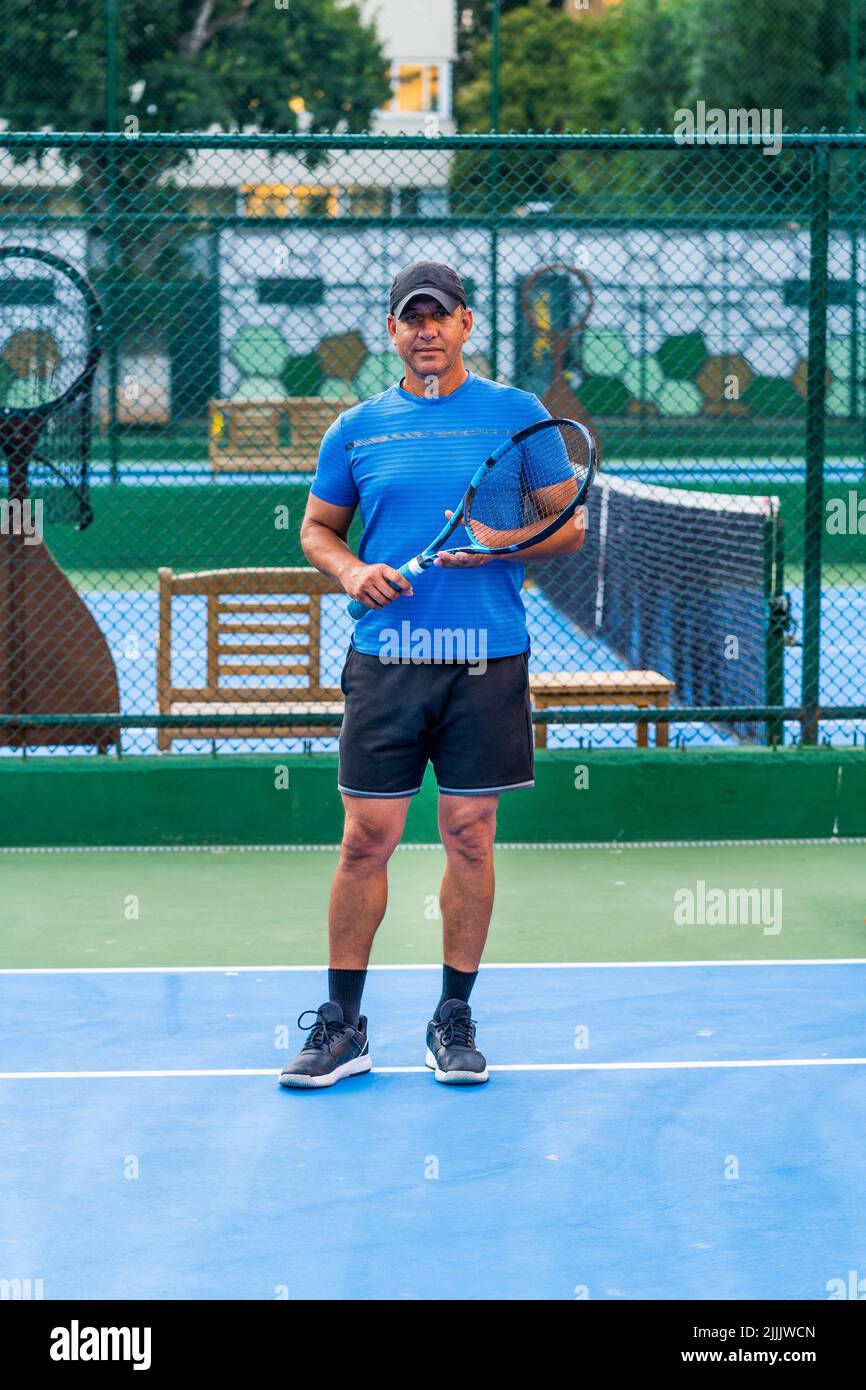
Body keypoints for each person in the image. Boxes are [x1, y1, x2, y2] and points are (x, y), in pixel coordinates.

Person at [280, 261, 586, 1089]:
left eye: (439, 316)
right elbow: (317, 529)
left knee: (469, 837)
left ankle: (453, 1018)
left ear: (464, 325)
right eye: (410, 318)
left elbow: (569, 524)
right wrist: (350, 573)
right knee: (364, 841)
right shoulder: (356, 428)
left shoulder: (518, 416)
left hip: (484, 662)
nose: (425, 330)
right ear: (392, 331)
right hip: (387, 663)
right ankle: (343, 1026)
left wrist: (503, 543)